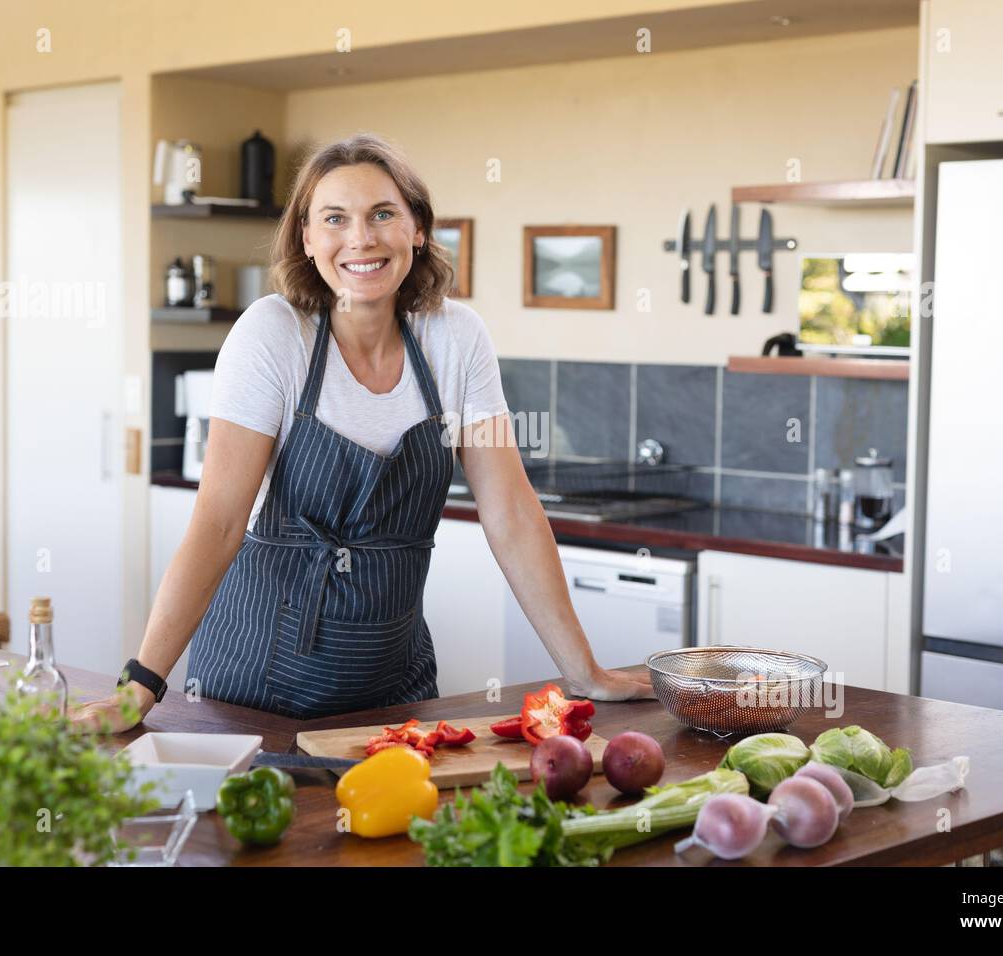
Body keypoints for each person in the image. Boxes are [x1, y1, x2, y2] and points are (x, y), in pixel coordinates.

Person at [70, 133, 653, 732]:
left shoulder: (456, 338)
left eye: (382, 214)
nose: (361, 239)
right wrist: (139, 686)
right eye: (334, 219)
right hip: (256, 686)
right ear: (307, 238)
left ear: (418, 228)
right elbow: (218, 522)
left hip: (393, 689)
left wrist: (584, 672)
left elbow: (510, 512)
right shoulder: (273, 335)